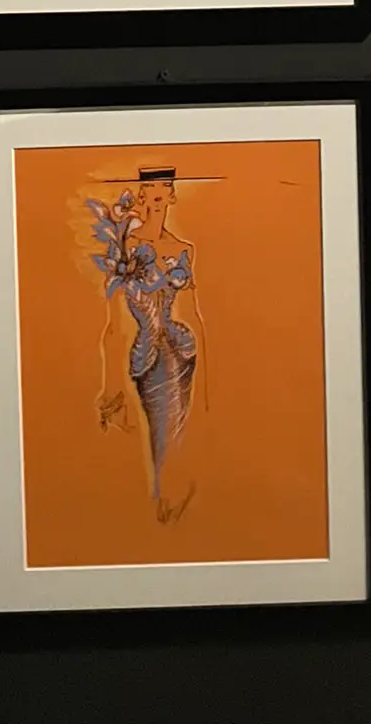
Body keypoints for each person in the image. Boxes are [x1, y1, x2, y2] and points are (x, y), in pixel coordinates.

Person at [87, 167, 210, 518]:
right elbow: (113, 323)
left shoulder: (183, 249)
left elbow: (195, 314)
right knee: (161, 435)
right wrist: (111, 386)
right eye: (150, 185)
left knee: (177, 433)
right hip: (147, 353)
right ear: (141, 194)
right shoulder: (124, 248)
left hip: (182, 350)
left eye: (165, 185)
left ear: (172, 195)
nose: (157, 190)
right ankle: (164, 504)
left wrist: (209, 383)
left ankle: (171, 505)